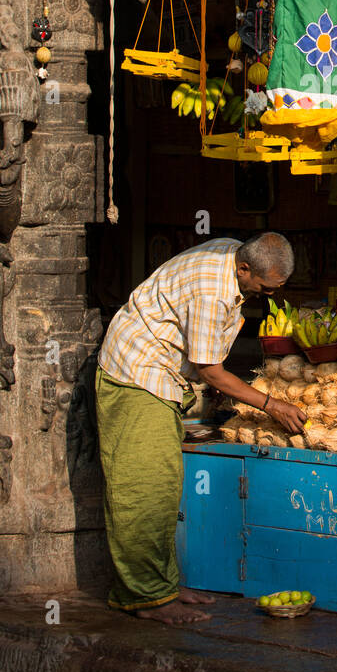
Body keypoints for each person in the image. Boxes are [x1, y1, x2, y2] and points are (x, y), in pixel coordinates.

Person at [95, 231, 305, 624]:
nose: (269, 296)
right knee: (144, 490)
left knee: (164, 488)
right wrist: (271, 404)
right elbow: (212, 371)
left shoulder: (231, 251)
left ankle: (163, 586)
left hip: (160, 378)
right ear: (244, 268)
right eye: (264, 288)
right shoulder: (214, 292)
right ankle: (147, 599)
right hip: (138, 376)